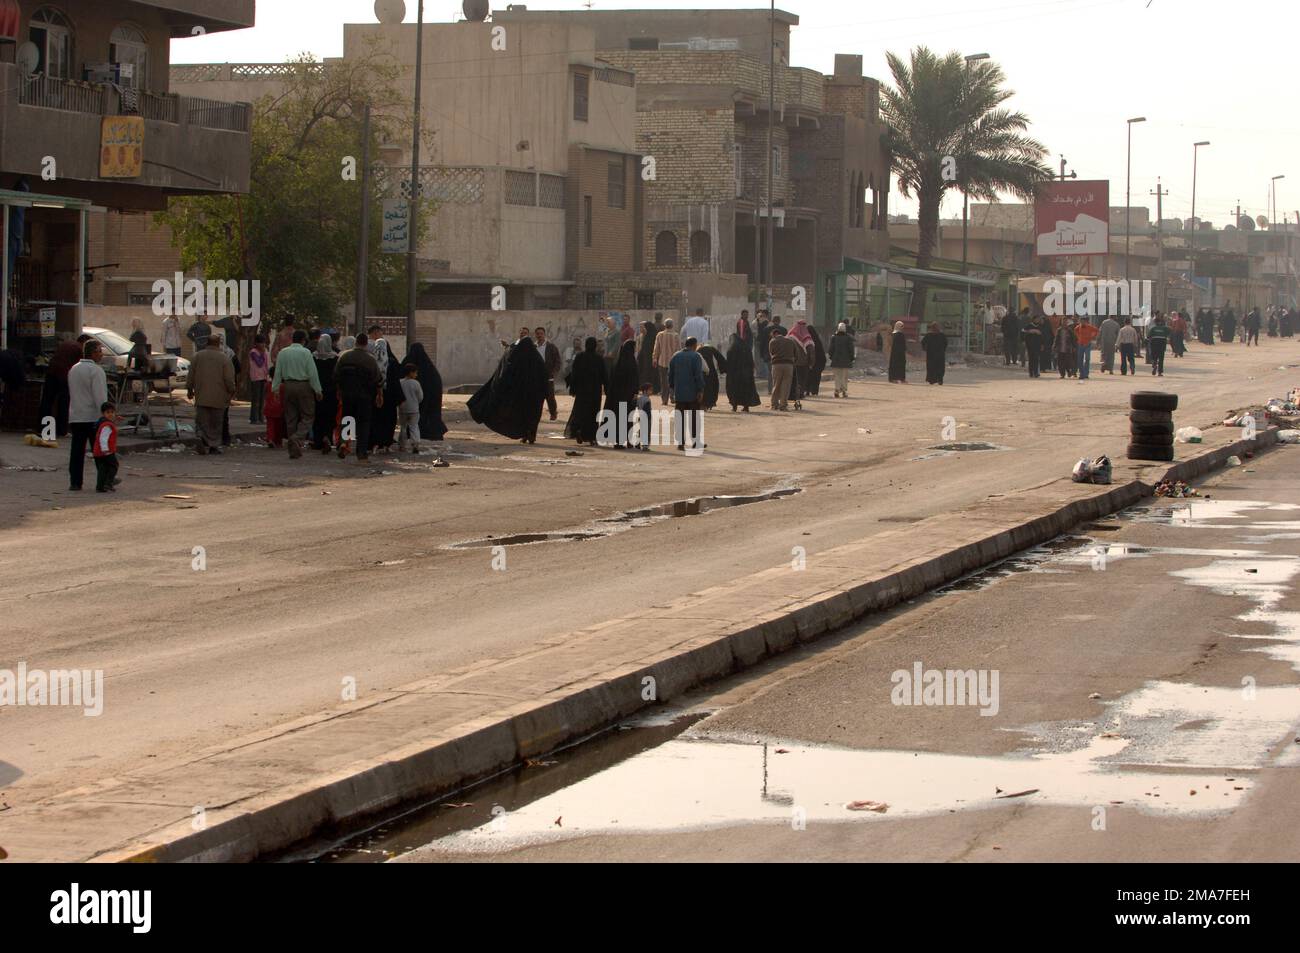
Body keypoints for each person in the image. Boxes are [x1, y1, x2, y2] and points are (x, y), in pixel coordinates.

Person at [468, 327, 549, 445]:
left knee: (523, 414)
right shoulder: (537, 360)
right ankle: (529, 435)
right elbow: (543, 376)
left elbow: (508, 370)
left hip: (523, 394)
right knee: (532, 414)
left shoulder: (520, 358)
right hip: (534, 395)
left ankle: (527, 435)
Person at [271, 329, 323, 459]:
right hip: (304, 386)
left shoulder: (283, 353)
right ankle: (297, 437)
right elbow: (312, 373)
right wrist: (317, 390)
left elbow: (278, 372)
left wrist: (275, 389)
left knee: (291, 417)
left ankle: (293, 449)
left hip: (288, 385)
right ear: (303, 340)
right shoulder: (306, 352)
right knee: (308, 415)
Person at [67, 339, 109, 489]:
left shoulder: (74, 369)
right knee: (99, 450)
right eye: (100, 351)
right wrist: (106, 414)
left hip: (76, 414)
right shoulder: (96, 371)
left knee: (77, 451)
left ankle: (75, 482)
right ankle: (104, 480)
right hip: (92, 416)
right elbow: (100, 396)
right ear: (93, 353)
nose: (102, 355)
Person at [335, 334, 382, 461]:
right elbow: (378, 379)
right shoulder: (370, 359)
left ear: (356, 342)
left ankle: (344, 443)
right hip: (365, 396)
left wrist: (339, 391)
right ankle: (361, 452)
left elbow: (336, 376)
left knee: (348, 419)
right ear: (366, 343)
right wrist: (379, 395)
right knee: (363, 423)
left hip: (348, 395)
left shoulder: (344, 356)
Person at [187, 335, 235, 455]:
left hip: (201, 394)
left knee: (203, 419)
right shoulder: (224, 358)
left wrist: (189, 390)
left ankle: (202, 437)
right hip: (219, 396)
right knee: (216, 422)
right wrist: (232, 390)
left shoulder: (197, 356)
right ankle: (213, 445)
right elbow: (229, 378)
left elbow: (191, 375)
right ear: (218, 343)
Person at [565, 338, 606, 446]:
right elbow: (604, 375)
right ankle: (591, 437)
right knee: (593, 414)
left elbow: (574, 374)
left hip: (582, 390)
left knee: (580, 411)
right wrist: (607, 388)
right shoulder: (599, 359)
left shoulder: (580, 357)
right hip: (595, 391)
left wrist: (573, 389)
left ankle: (579, 430)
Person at [403, 343, 448, 442]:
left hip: (410, 404)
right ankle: (429, 434)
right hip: (425, 402)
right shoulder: (431, 369)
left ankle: (410, 439)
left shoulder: (408, 365)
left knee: (409, 424)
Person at [669, 336, 706, 451]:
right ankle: (695, 442)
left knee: (680, 418)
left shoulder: (675, 356)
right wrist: (700, 390)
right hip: (692, 392)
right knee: (694, 418)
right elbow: (698, 375)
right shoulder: (696, 356)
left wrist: (672, 389)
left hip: (679, 393)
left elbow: (670, 374)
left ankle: (680, 443)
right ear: (694, 345)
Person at [41, 335, 83, 436]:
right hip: (64, 375)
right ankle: (61, 430)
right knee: (63, 402)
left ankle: (44, 429)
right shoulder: (79, 348)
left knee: (47, 401)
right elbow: (79, 366)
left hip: (51, 372)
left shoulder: (67, 343)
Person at [602, 338, 640, 447]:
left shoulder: (616, 362)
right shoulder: (632, 363)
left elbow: (611, 380)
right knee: (628, 418)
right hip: (628, 396)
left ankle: (618, 441)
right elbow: (635, 380)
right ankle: (629, 441)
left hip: (617, 396)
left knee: (618, 418)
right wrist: (635, 392)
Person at [725, 314, 761, 412]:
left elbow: (728, 362)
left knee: (734, 389)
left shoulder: (731, 349)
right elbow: (750, 360)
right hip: (746, 373)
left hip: (734, 374)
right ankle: (746, 407)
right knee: (746, 390)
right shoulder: (745, 347)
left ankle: (734, 406)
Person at [310, 334, 339, 452]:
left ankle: (317, 441)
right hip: (331, 392)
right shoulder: (335, 358)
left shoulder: (313, 357)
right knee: (330, 415)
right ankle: (327, 437)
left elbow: (311, 374)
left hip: (317, 391)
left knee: (317, 416)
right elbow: (337, 376)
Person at [534, 327, 562, 421]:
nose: (539, 335)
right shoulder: (533, 347)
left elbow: (557, 361)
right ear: (535, 335)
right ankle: (536, 414)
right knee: (536, 396)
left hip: (548, 375)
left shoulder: (551, 346)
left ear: (544, 334)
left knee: (550, 396)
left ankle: (553, 413)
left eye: (541, 333)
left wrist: (553, 373)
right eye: (537, 334)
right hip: (536, 375)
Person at [652, 317, 680, 405]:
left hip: (662, 362)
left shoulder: (660, 335)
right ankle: (673, 397)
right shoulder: (676, 335)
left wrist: (655, 358)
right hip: (674, 362)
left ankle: (664, 400)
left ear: (665, 325)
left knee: (663, 381)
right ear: (672, 325)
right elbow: (678, 349)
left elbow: (656, 349)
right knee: (673, 380)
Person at [92, 401, 119, 493]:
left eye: (112, 412)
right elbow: (103, 439)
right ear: (103, 413)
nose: (111, 414)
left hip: (99, 451)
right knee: (114, 466)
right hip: (105, 451)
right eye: (108, 412)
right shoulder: (107, 425)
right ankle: (108, 483)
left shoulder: (103, 422)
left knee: (102, 469)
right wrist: (105, 450)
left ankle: (100, 487)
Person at [768, 325, 796, 411]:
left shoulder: (772, 341)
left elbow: (771, 353)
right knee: (786, 385)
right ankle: (783, 405)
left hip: (777, 365)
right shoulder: (791, 341)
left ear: (774, 334)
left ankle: (774, 404)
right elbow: (796, 353)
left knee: (776, 384)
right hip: (788, 365)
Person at [397, 363, 424, 454]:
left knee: (403, 427)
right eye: (415, 373)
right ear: (411, 373)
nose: (416, 375)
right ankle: (415, 444)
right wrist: (416, 402)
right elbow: (420, 397)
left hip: (402, 409)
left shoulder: (400, 382)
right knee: (414, 426)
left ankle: (402, 445)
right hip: (414, 409)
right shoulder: (416, 383)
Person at [247, 334, 270, 424]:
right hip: (256, 377)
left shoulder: (265, 351)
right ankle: (254, 418)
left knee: (262, 399)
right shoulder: (253, 352)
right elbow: (259, 363)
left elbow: (266, 364)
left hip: (263, 376)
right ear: (256, 343)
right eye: (261, 343)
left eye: (264, 343)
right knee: (256, 399)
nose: (263, 345)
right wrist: (262, 353)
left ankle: (261, 417)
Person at [828, 322, 855, 397]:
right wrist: (852, 358)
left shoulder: (834, 337)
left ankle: (837, 390)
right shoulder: (848, 338)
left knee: (837, 376)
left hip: (836, 360)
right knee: (844, 376)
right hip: (846, 361)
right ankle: (844, 391)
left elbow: (830, 349)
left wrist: (831, 357)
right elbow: (851, 350)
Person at [698, 343, 726, 411]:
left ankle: (702, 404)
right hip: (711, 370)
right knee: (712, 387)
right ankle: (708, 404)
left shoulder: (697, 351)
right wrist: (723, 369)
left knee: (702, 387)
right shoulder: (711, 348)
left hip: (701, 371)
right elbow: (720, 358)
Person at [636, 320, 659, 394]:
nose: (644, 329)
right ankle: (646, 389)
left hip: (651, 359)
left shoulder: (653, 336)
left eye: (645, 327)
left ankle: (652, 389)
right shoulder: (647, 336)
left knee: (652, 374)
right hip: (646, 359)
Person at [755, 311, 773, 383]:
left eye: (762, 315)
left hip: (763, 343)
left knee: (763, 359)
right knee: (761, 359)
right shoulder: (761, 323)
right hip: (762, 342)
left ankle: (764, 374)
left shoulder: (765, 323)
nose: (761, 317)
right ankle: (763, 373)